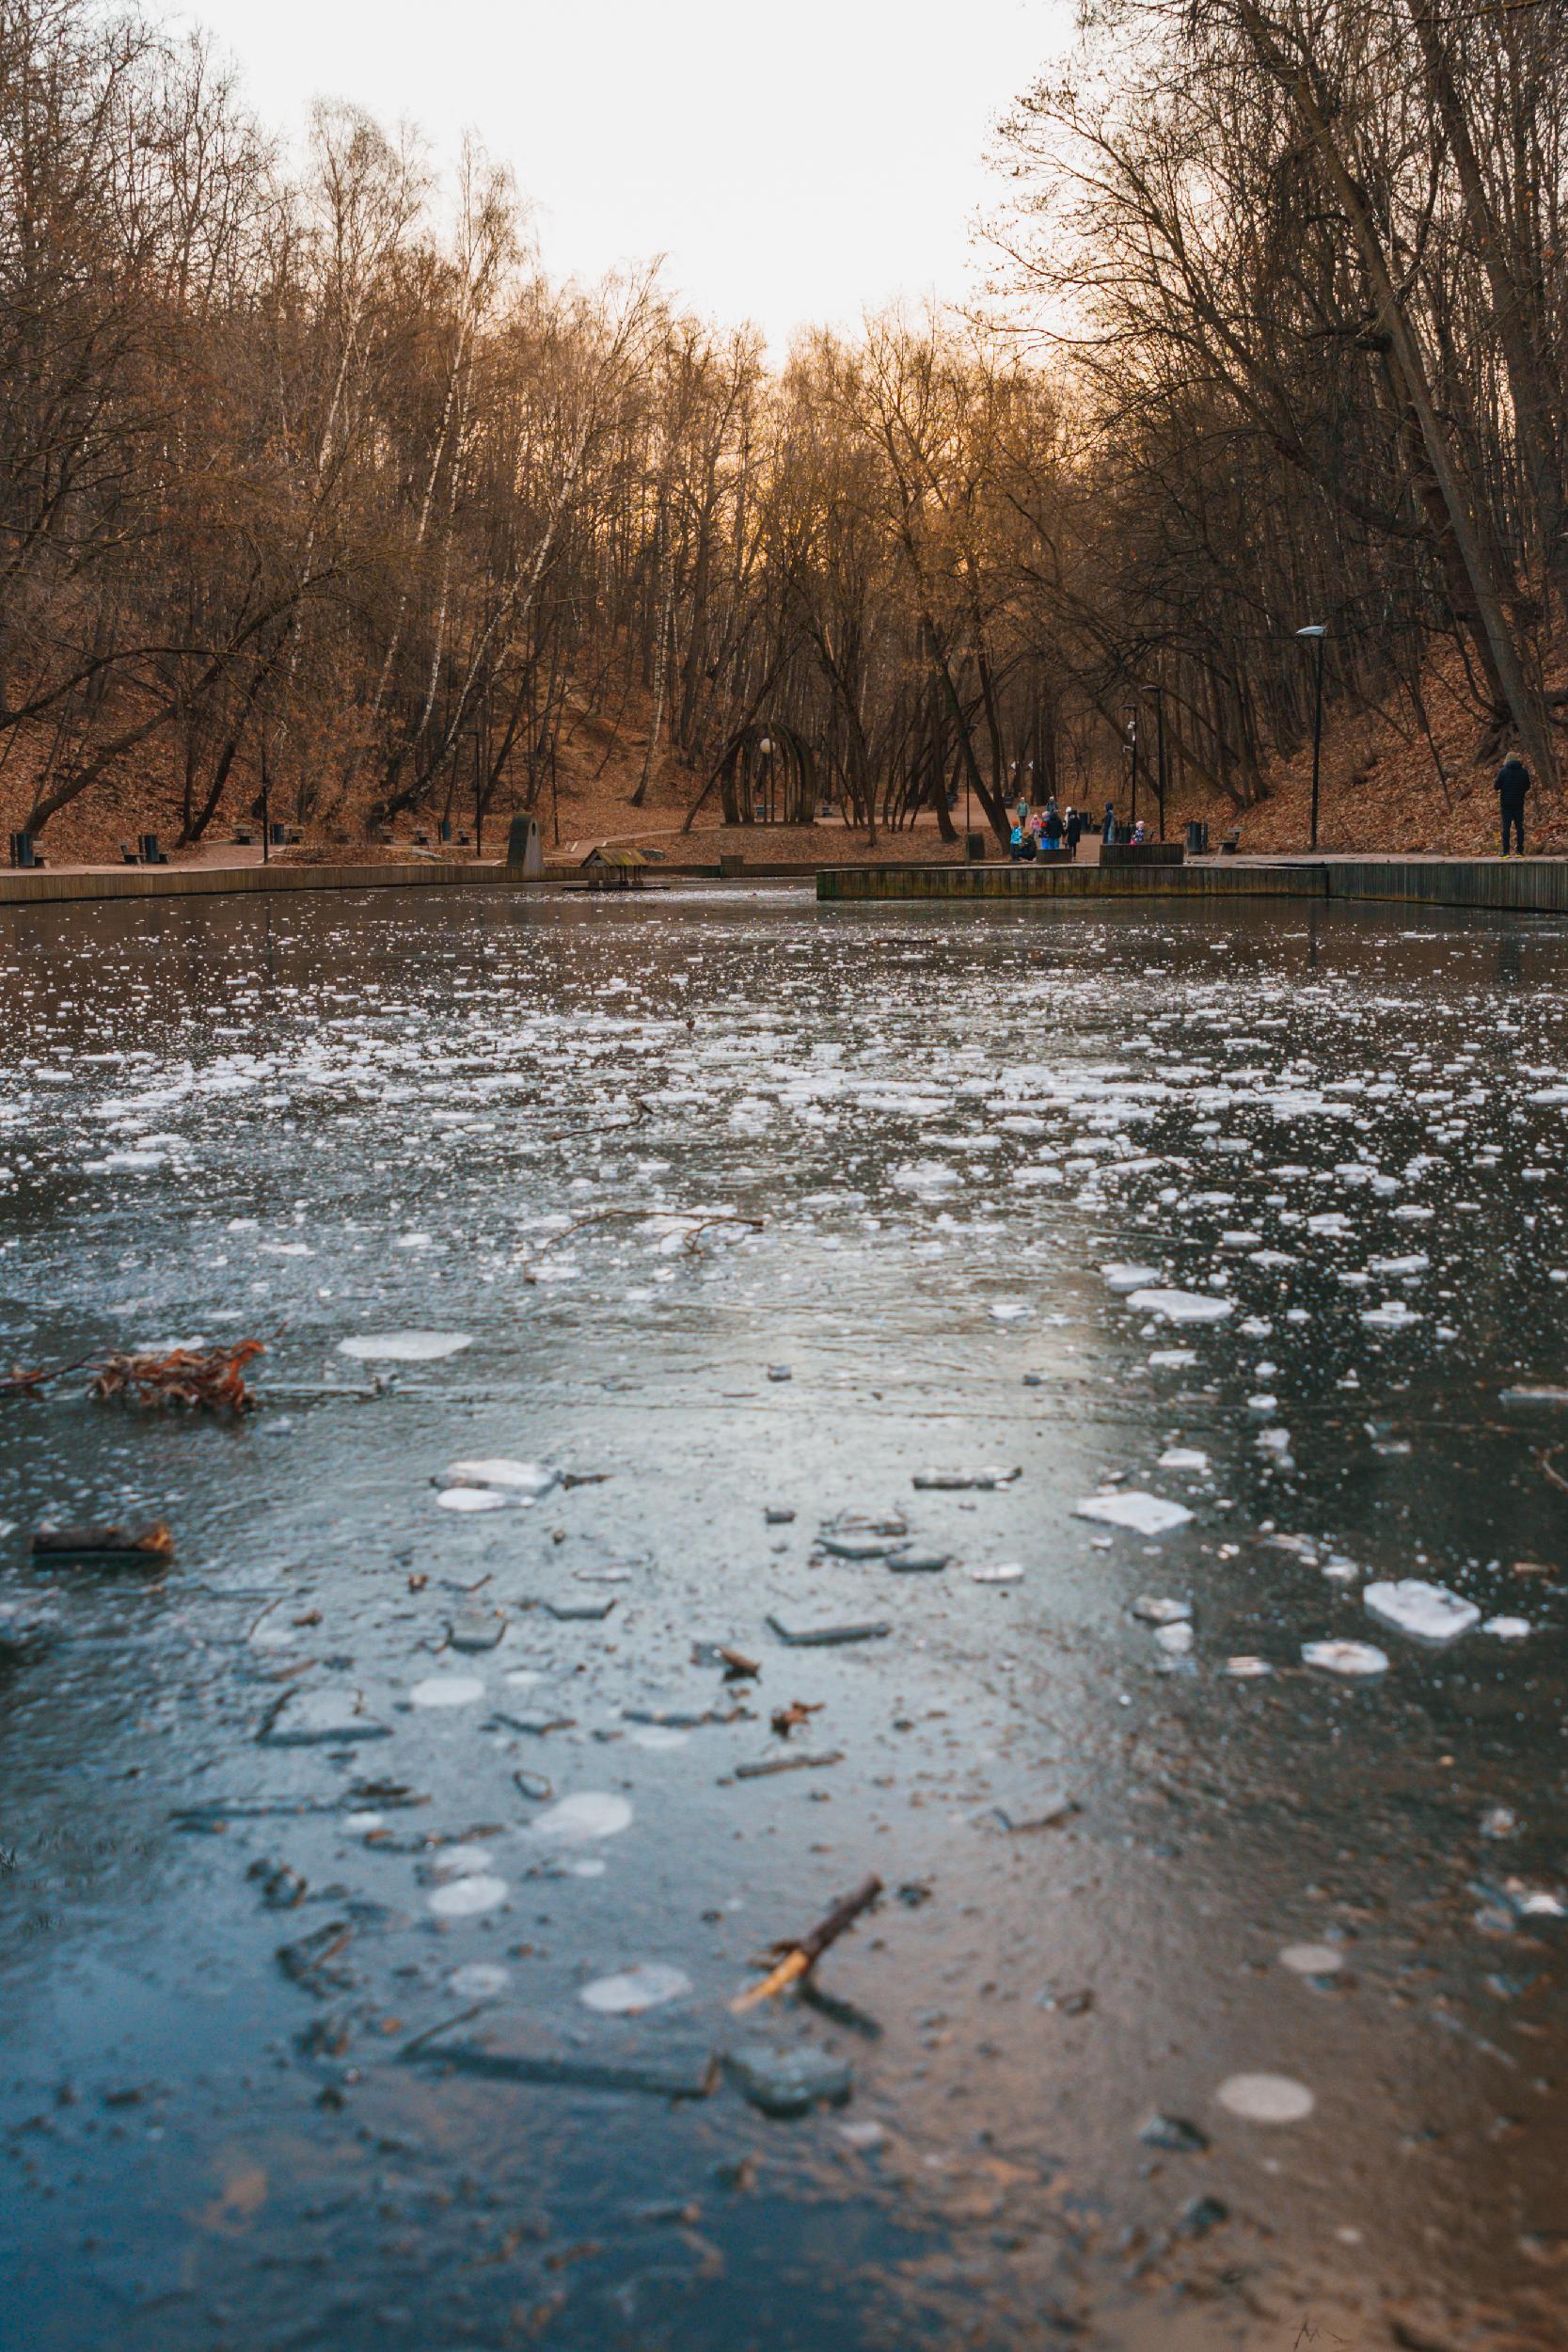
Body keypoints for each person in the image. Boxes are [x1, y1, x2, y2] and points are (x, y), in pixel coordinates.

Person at [1497, 752, 1530, 855]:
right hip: (1519, 803)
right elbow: (1527, 786)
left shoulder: (1503, 772)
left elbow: (1496, 786)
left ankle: (1506, 852)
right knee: (1519, 827)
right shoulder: (1524, 772)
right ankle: (1520, 850)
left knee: (1506, 828)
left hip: (1506, 804)